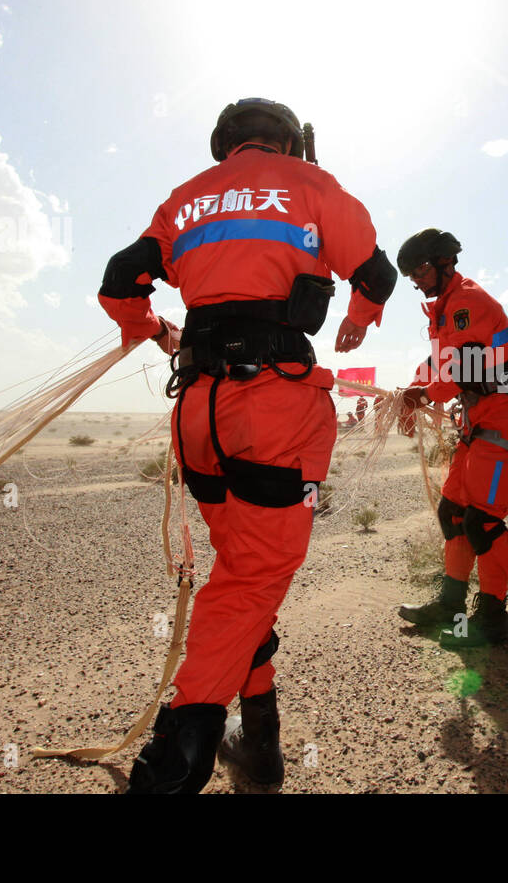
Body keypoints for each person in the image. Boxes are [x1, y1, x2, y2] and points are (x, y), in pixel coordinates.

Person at [97, 97, 396, 793]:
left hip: (197, 412)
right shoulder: (312, 186)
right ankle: (181, 744)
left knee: (238, 567)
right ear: (288, 142)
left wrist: (150, 327)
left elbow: (119, 277)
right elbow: (375, 273)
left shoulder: (186, 200)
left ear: (226, 144)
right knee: (254, 577)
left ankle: (260, 743)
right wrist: (359, 318)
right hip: (272, 406)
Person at [394, 229, 508, 648]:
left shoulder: (468, 303)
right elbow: (438, 363)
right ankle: (451, 607)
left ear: (444, 263)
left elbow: (463, 368)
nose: (416, 280)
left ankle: (493, 617)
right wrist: (411, 394)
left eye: (420, 270)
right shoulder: (444, 310)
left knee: (482, 520)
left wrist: (420, 395)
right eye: (411, 275)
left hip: (507, 415)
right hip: (481, 417)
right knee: (453, 513)